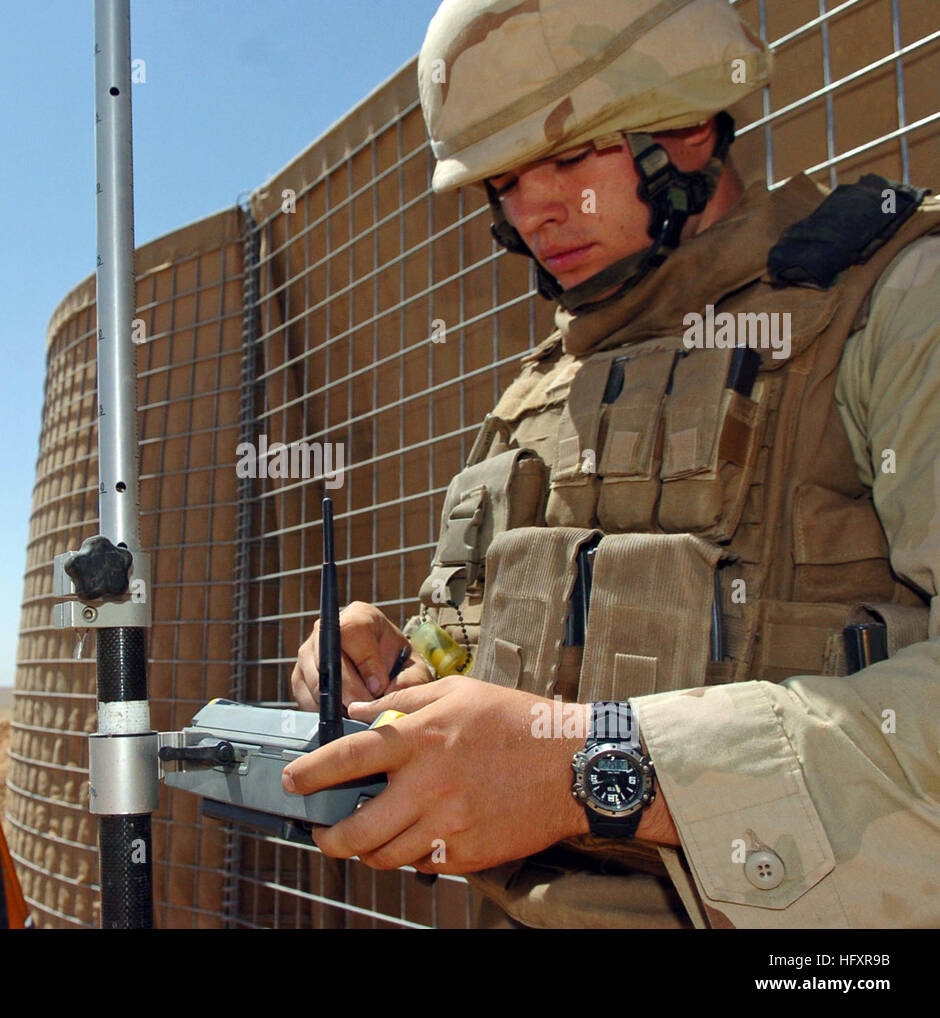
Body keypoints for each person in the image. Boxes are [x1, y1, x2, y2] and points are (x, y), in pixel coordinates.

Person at [283, 0, 940, 928]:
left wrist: (589, 770)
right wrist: (396, 666)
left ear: (688, 119)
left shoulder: (897, 302)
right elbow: (484, 660)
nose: (533, 207)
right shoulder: (546, 383)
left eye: (569, 155)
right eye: (504, 177)